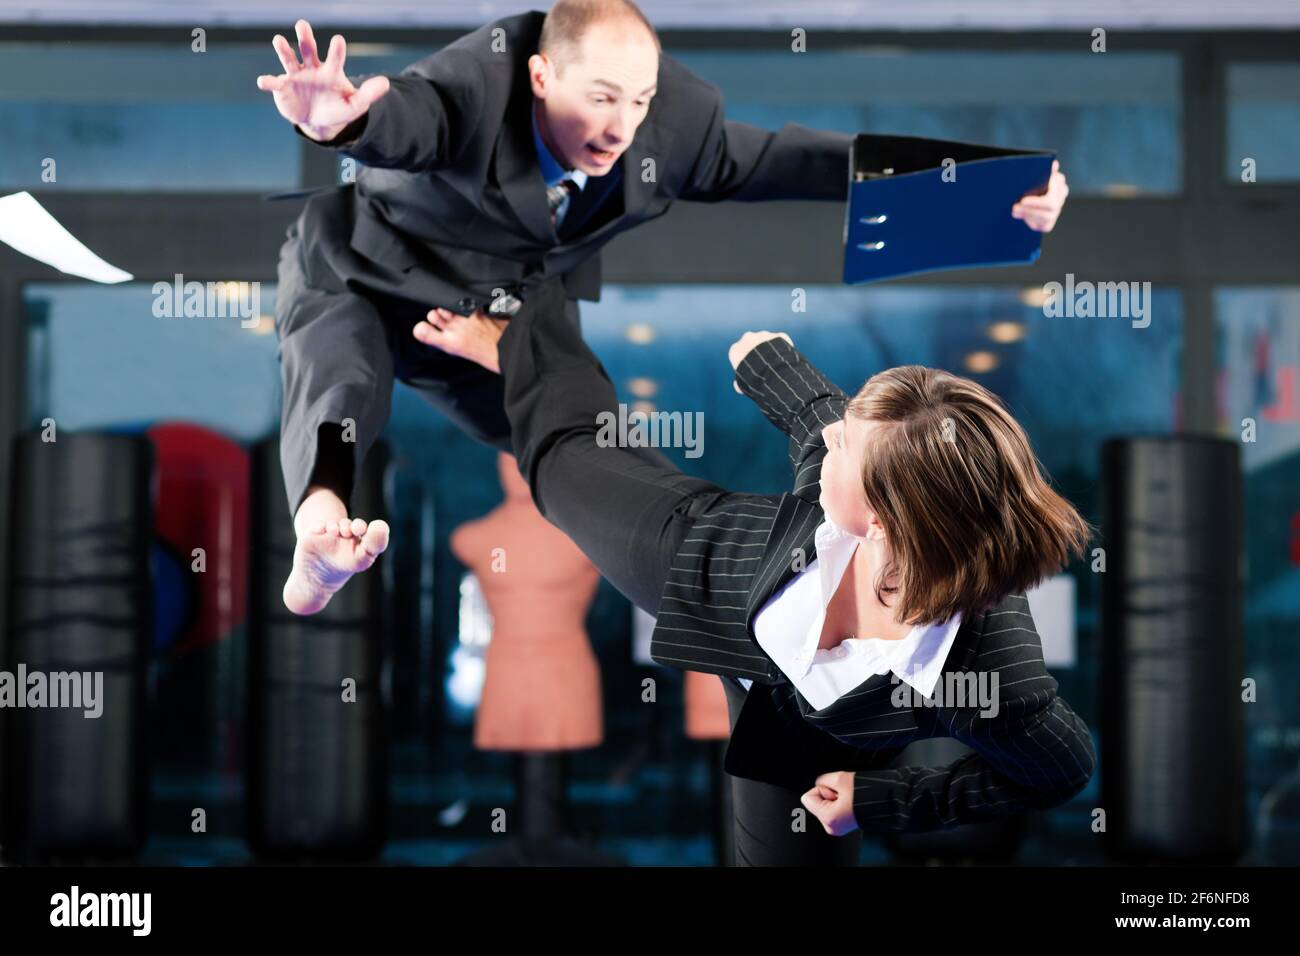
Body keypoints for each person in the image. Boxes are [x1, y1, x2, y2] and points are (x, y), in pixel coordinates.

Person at [256, 2, 1071, 616]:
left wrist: (990, 194)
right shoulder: (478, 83)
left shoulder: (668, 133)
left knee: (576, 431)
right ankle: (322, 535)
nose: (620, 129)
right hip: (365, 266)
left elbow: (796, 162)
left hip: (506, 304)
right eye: (600, 99)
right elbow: (410, 116)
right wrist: (347, 121)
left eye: (638, 101)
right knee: (342, 367)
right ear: (541, 77)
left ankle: (707, 579)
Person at [421, 277, 1097, 865]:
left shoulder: (996, 675)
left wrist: (883, 799)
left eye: (849, 446)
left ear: (884, 521)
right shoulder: (848, 498)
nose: (837, 435)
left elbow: (1058, 774)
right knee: (566, 459)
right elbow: (818, 419)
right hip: (712, 567)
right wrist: (766, 360)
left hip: (803, 742)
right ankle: (520, 345)